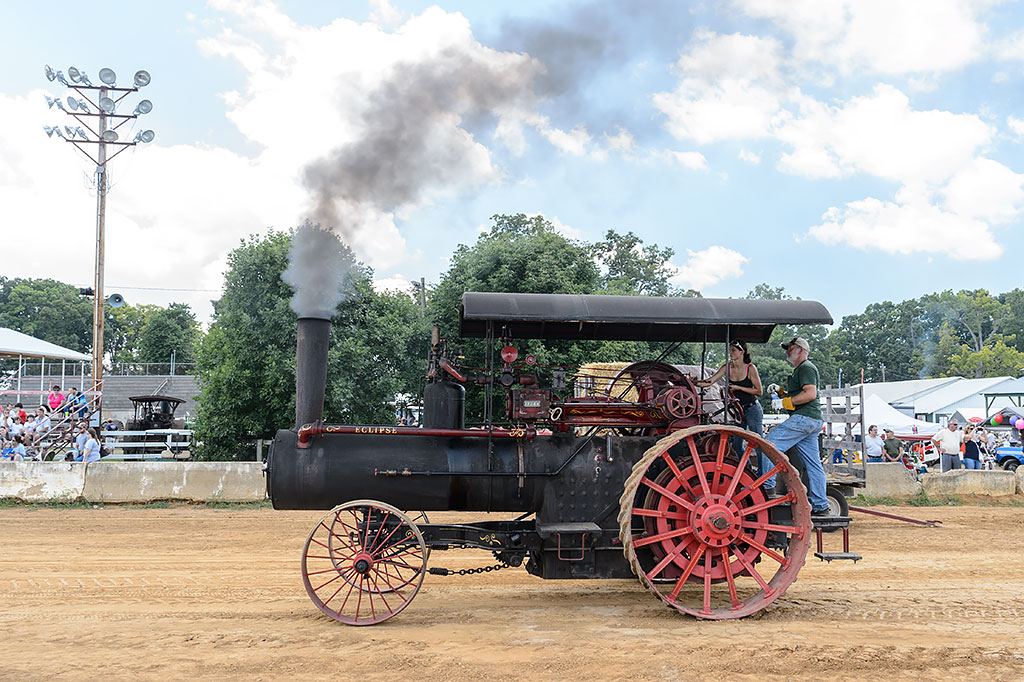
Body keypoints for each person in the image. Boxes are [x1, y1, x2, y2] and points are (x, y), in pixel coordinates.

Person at [765, 337, 830, 516]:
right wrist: (781, 391)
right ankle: (821, 506)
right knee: (813, 465)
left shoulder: (806, 367)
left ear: (801, 350)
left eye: (790, 348)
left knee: (768, 444)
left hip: (805, 418)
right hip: (812, 420)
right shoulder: (801, 370)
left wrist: (785, 402)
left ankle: (767, 488)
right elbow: (802, 393)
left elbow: (810, 394)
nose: (787, 351)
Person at [694, 339, 767, 481]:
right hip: (737, 411)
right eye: (730, 350)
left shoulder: (750, 368)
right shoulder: (727, 367)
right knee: (736, 444)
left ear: (742, 352)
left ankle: (764, 478)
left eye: (733, 350)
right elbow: (710, 381)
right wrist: (695, 382)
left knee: (758, 443)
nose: (730, 353)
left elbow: (759, 391)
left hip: (752, 409)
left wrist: (739, 388)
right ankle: (746, 472)